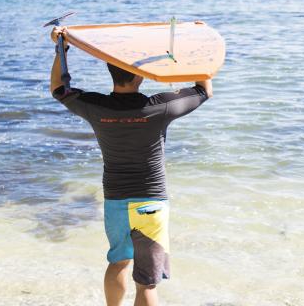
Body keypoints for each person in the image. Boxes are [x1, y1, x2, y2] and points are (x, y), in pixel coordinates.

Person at [49, 26, 213, 306]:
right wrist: (195, 46)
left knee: (118, 263)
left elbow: (59, 89)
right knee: (147, 283)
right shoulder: (159, 106)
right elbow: (203, 89)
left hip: (115, 200)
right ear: (140, 74)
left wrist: (61, 48)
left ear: (110, 73)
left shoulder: (95, 106)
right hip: (151, 202)